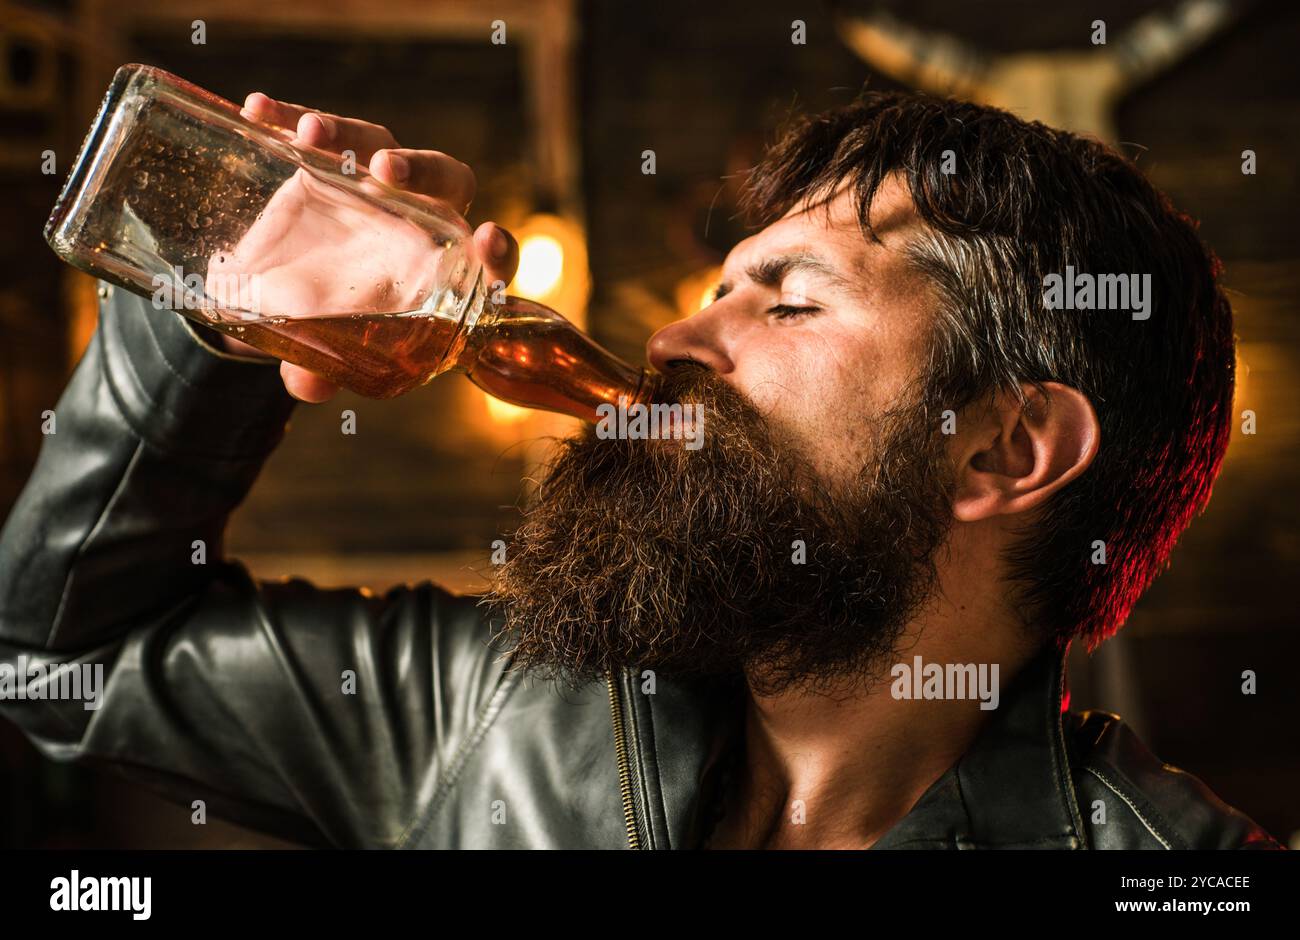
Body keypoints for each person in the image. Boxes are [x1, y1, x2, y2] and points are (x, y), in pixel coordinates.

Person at [0, 89, 1280, 849]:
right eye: (713, 289)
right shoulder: (499, 707)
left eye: (786, 307)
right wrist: (219, 328)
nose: (673, 337)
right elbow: (57, 663)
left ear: (1006, 448)